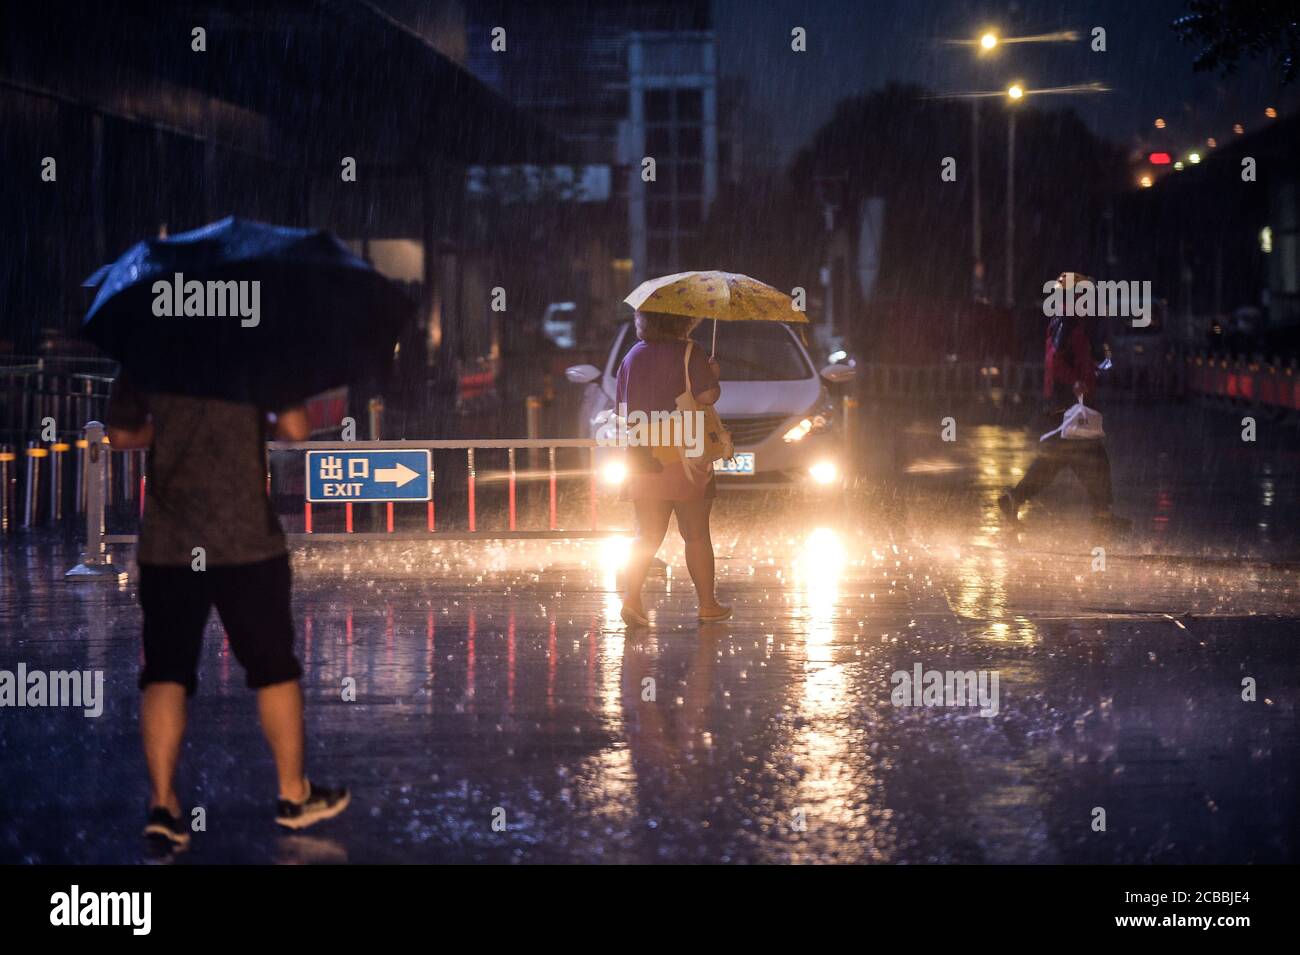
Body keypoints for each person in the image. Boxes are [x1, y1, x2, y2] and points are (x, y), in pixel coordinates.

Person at [106, 374, 349, 851]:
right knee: (274, 669)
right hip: (246, 544)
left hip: (170, 545)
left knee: (165, 673)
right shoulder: (254, 345)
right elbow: (296, 429)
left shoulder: (149, 346)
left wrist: (174, 433)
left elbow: (119, 435)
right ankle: (293, 795)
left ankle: (162, 806)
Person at [616, 310, 732, 626]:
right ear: (684, 320)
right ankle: (707, 604)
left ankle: (631, 598)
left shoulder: (631, 356)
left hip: (643, 452)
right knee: (695, 534)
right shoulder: (690, 352)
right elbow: (707, 396)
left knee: (647, 534)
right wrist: (712, 375)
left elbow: (620, 408)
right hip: (686, 452)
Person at [999, 273, 1128, 530]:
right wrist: (1075, 383)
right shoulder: (1067, 323)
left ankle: (1015, 499)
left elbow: (1073, 359)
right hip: (1067, 407)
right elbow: (1057, 361)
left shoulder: (1067, 322)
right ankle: (1102, 517)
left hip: (1066, 406)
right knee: (1094, 460)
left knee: (1055, 462)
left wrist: (1092, 369)